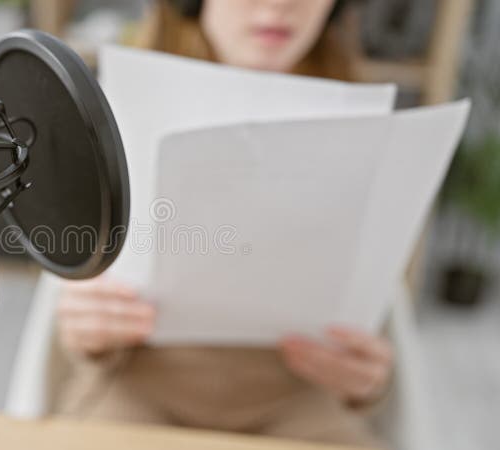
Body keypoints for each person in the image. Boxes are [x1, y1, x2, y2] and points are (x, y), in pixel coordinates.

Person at [53, 1, 394, 448]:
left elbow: (376, 332)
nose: (279, 7)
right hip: (138, 387)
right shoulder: (116, 106)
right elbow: (69, 330)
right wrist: (84, 328)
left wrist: (370, 380)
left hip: (301, 400)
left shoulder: (371, 131)